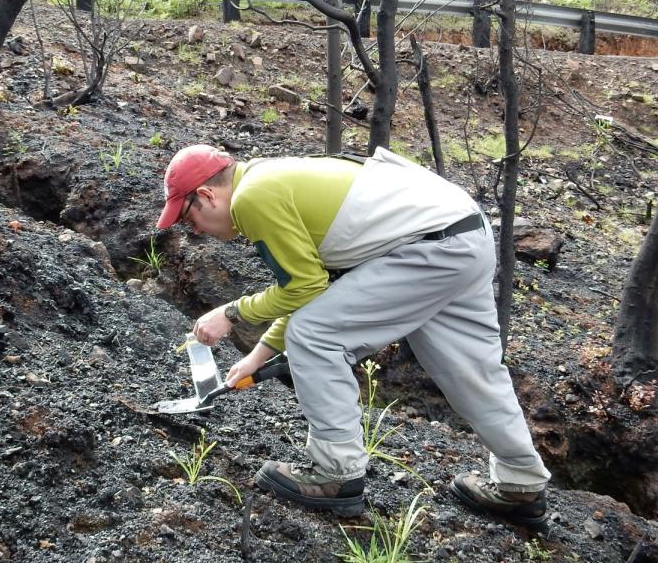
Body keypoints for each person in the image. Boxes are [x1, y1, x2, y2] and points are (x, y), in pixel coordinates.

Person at [155, 144, 552, 526]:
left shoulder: (252, 198)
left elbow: (304, 290)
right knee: (470, 368)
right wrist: (258, 355)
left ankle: (334, 472)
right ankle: (520, 481)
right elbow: (318, 289)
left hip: (430, 245)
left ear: (207, 195)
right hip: (464, 234)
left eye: (190, 219)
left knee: (316, 335)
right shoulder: (270, 178)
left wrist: (231, 313)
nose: (197, 230)